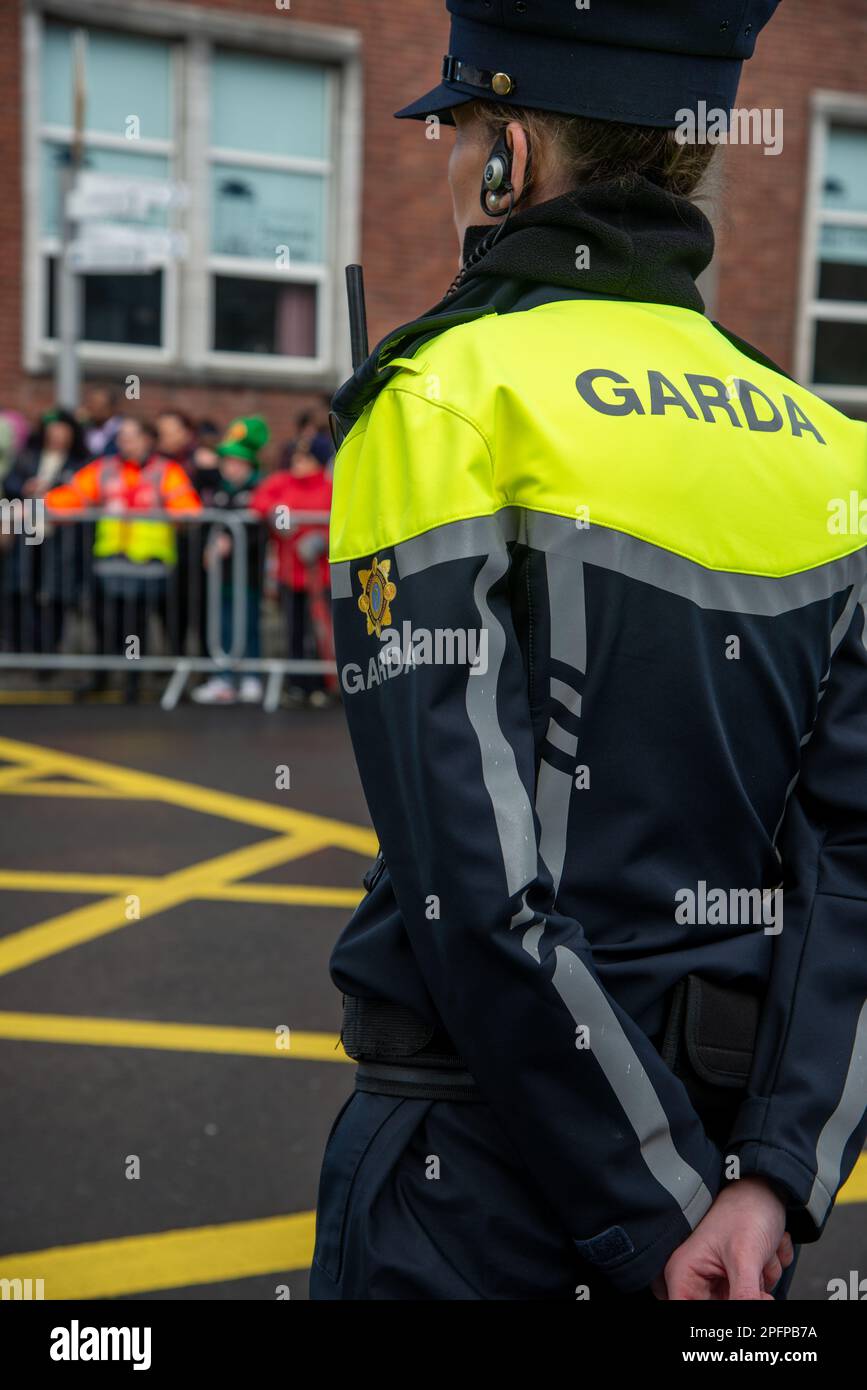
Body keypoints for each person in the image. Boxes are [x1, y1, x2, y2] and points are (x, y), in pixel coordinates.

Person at [311, 0, 867, 1302]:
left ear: (508, 154)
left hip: (476, 1176)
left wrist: (647, 1203)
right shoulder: (831, 449)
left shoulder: (442, 398)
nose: (448, 165)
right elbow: (848, 864)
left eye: (452, 131)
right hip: (730, 1212)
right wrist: (761, 1178)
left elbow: (471, 882)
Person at [44, 416, 201, 700]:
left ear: (147, 439)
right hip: (109, 562)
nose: (124, 442)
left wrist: (182, 514)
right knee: (104, 623)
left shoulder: (166, 472)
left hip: (148, 565)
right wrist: (31, 509)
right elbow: (70, 497)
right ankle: (102, 677)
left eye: (130, 436)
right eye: (121, 437)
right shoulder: (105, 470)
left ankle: (132, 682)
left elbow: (188, 508)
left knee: (136, 628)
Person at [191, 416, 268, 706]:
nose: (229, 467)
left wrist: (231, 541)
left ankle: (250, 675)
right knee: (222, 624)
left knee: (247, 624)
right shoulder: (222, 492)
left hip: (247, 574)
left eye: (236, 462)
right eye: (226, 462)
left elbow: (256, 530)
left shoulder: (256, 492)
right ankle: (223, 676)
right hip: (222, 575)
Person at [249, 441, 333, 708]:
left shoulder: (329, 488)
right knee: (294, 632)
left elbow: (343, 520)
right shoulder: (282, 482)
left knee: (319, 632)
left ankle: (323, 686)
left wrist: (323, 538)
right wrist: (274, 514)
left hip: (320, 577)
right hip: (290, 574)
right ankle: (298, 685)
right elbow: (259, 500)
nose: (298, 463)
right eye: (296, 457)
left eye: (305, 458)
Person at [2, 407, 89, 659]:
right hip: (29, 529)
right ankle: (21, 645)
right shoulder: (29, 457)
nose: (58, 436)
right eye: (53, 431)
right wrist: (25, 488)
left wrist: (51, 489)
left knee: (55, 590)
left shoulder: (78, 463)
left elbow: (81, 492)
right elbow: (10, 484)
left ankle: (49, 648)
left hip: (60, 533)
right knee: (21, 585)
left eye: (63, 431)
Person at [80, 385, 122, 460]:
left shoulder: (122, 430)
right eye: (90, 403)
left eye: (96, 404)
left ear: (110, 407)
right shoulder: (85, 429)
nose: (90, 407)